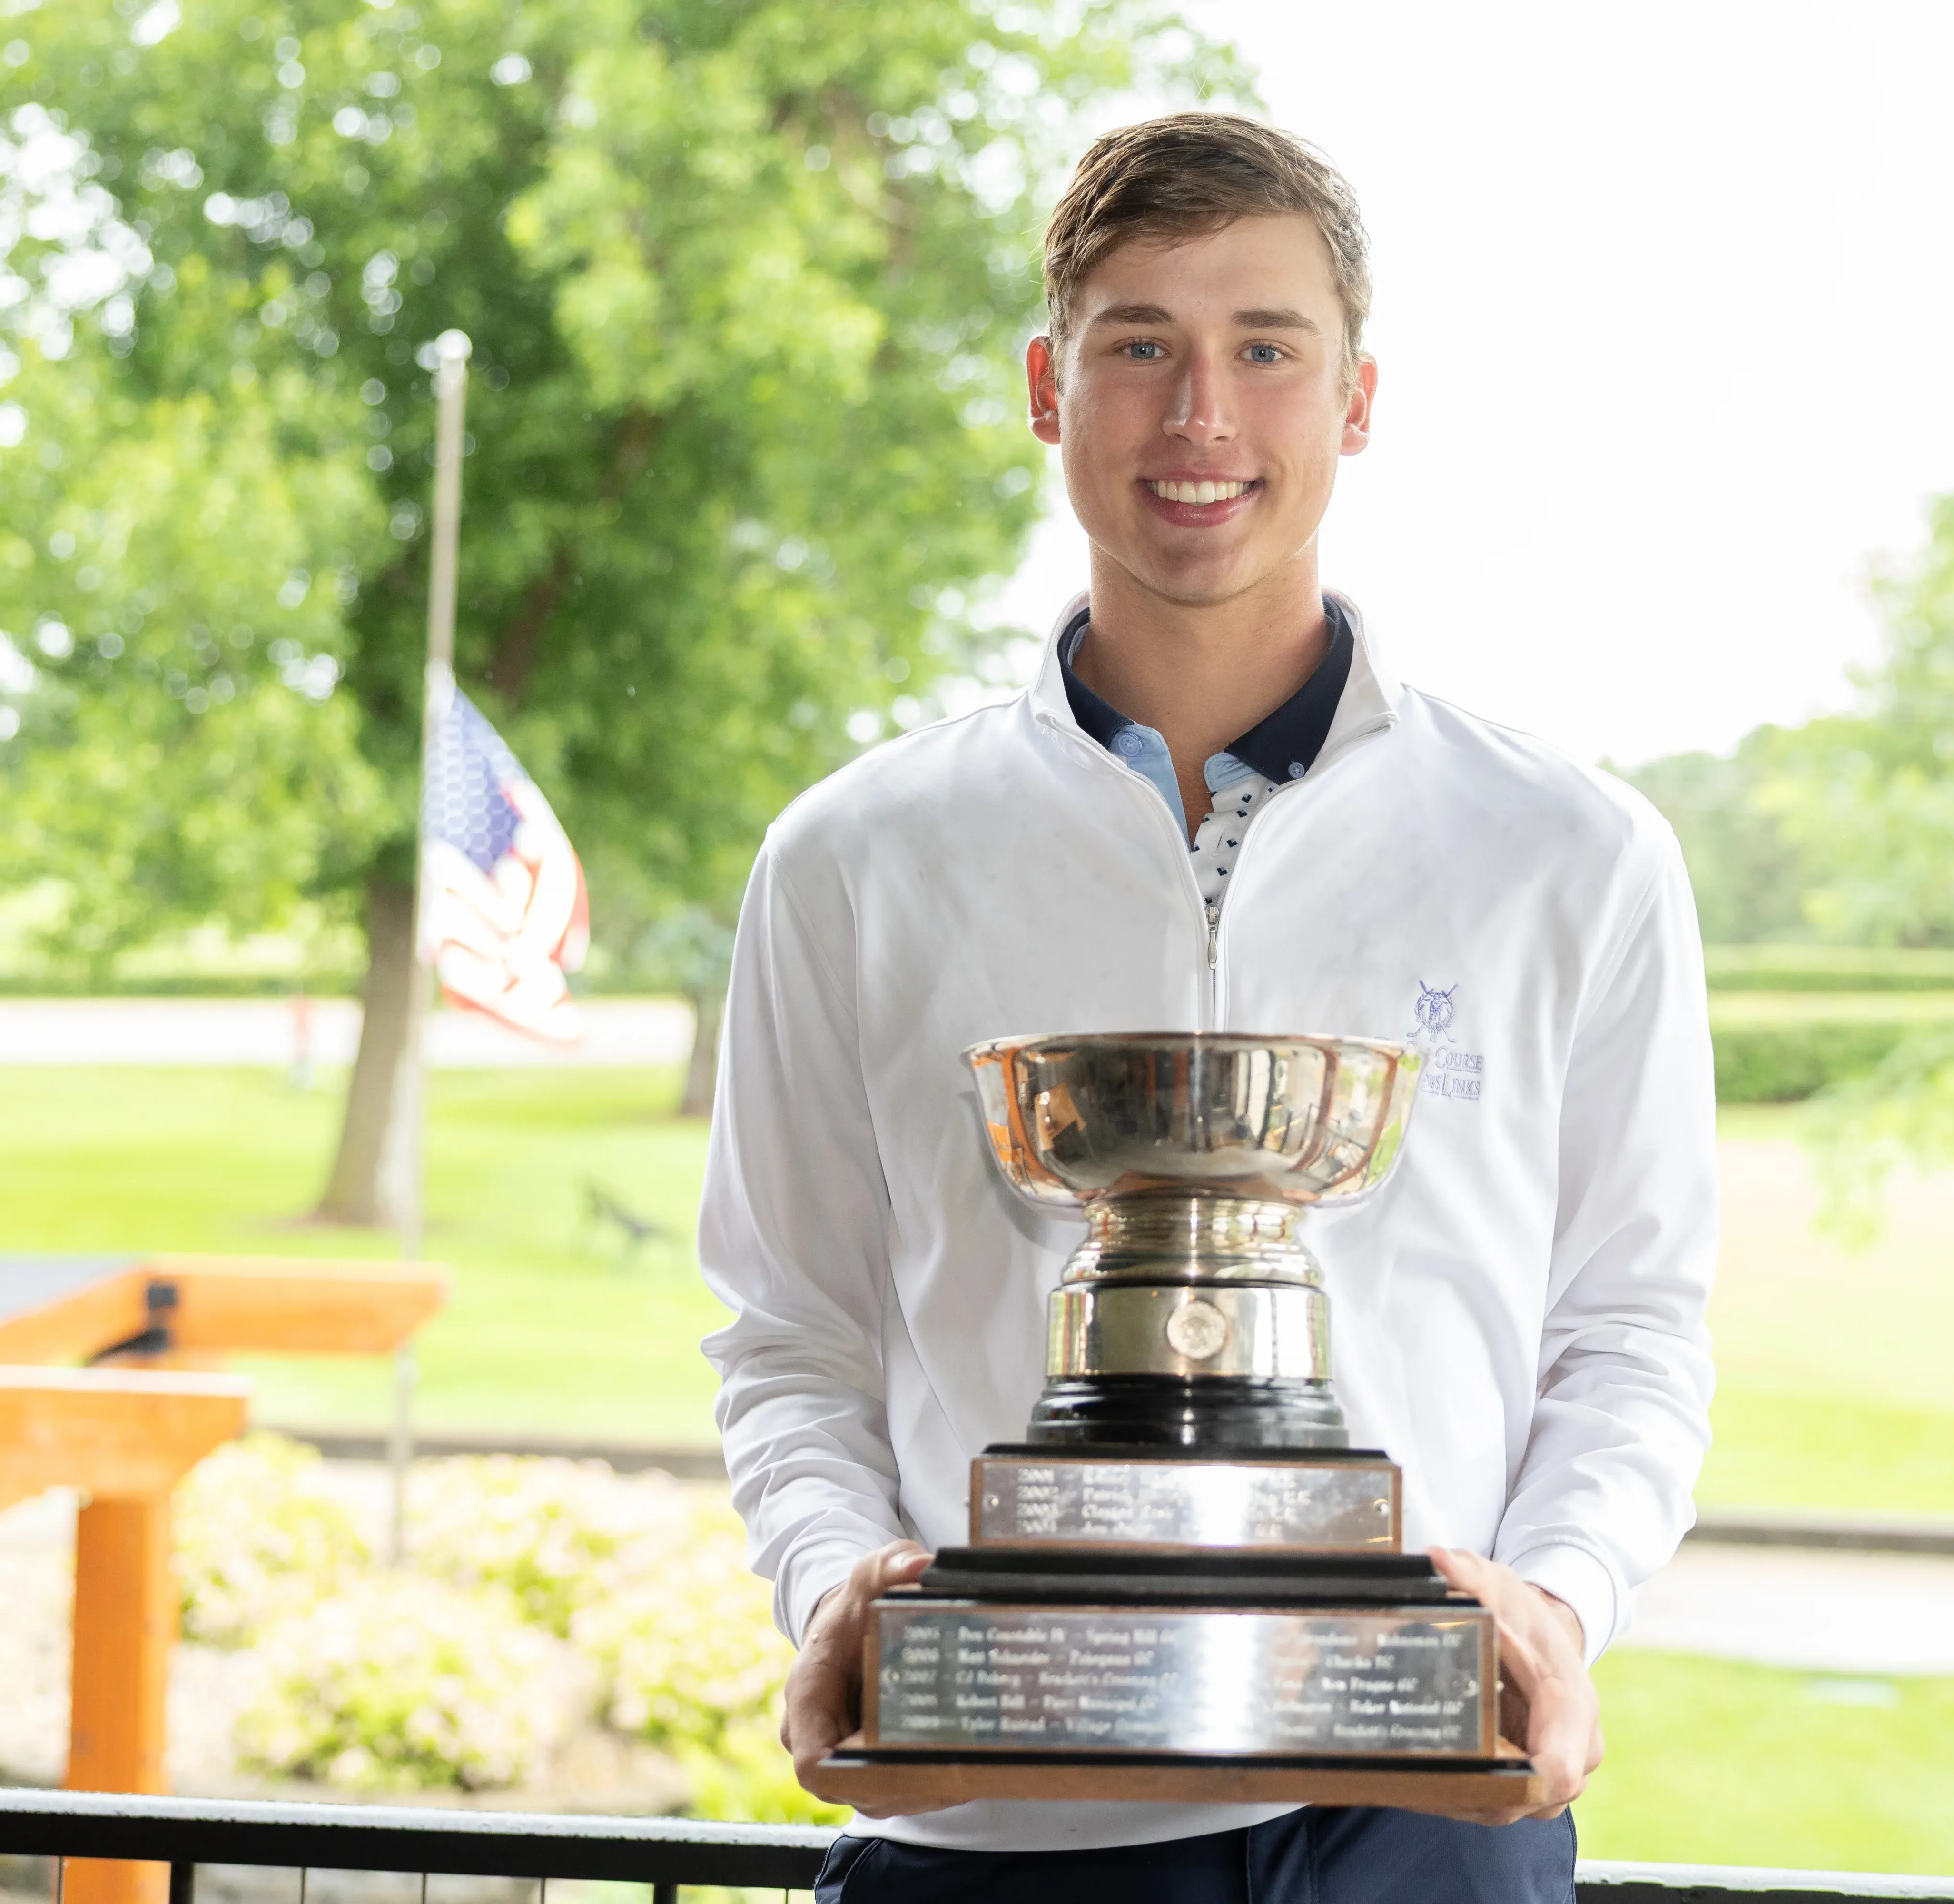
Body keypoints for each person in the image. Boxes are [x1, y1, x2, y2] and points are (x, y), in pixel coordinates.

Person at [700, 112, 1718, 1902]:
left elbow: (1630, 1329)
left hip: (1429, 1834)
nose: (1202, 420)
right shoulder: (851, 854)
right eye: (1139, 347)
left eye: (1266, 348)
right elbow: (790, 1333)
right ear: (1047, 387)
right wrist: (832, 1578)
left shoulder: (1572, 851)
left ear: (1359, 397)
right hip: (991, 1833)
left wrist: (1554, 1606)